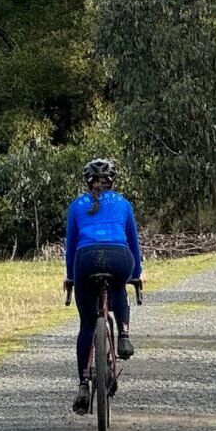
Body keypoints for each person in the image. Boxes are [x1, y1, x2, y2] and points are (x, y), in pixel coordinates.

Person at [63, 157, 142, 414]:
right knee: (118, 286)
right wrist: (137, 274)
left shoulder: (76, 206)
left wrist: (70, 276)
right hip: (120, 258)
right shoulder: (124, 204)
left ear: (88, 183)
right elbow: (133, 242)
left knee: (87, 324)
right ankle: (124, 336)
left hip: (84, 260)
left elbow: (71, 247)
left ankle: (84, 384)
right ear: (112, 182)